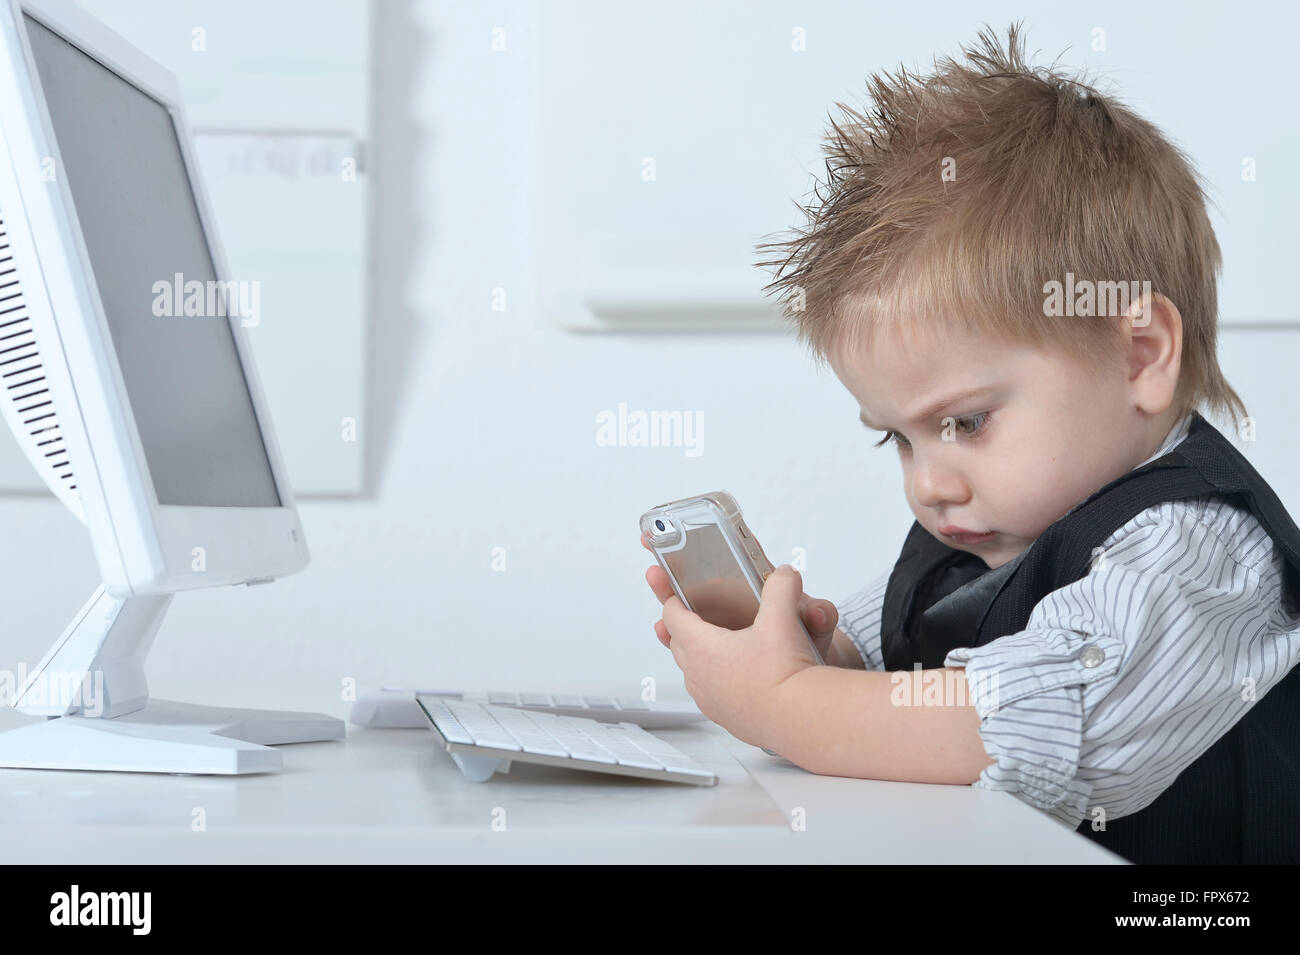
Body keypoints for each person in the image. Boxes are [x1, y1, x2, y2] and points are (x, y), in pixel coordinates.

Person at [641, 22, 1300, 864]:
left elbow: (1027, 724)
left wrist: (784, 700)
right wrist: (820, 653)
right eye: (899, 440)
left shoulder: (1198, 548)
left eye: (966, 422)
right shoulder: (990, 528)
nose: (930, 485)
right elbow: (892, 696)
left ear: (1140, 355)